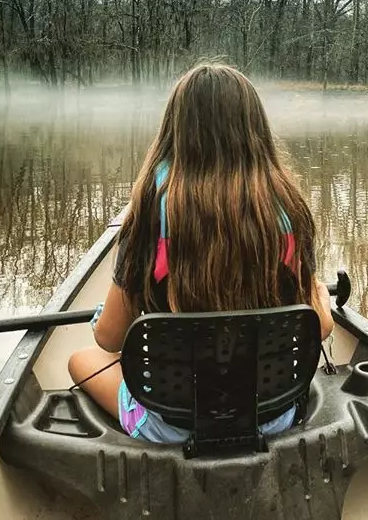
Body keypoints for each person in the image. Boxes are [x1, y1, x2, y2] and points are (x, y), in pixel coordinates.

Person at [67, 62, 335, 444]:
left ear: (174, 132)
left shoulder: (148, 211)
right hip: (273, 415)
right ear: (255, 131)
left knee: (81, 361)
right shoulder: (290, 209)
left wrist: (101, 318)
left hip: (173, 424)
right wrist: (322, 301)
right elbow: (319, 327)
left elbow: (109, 339)